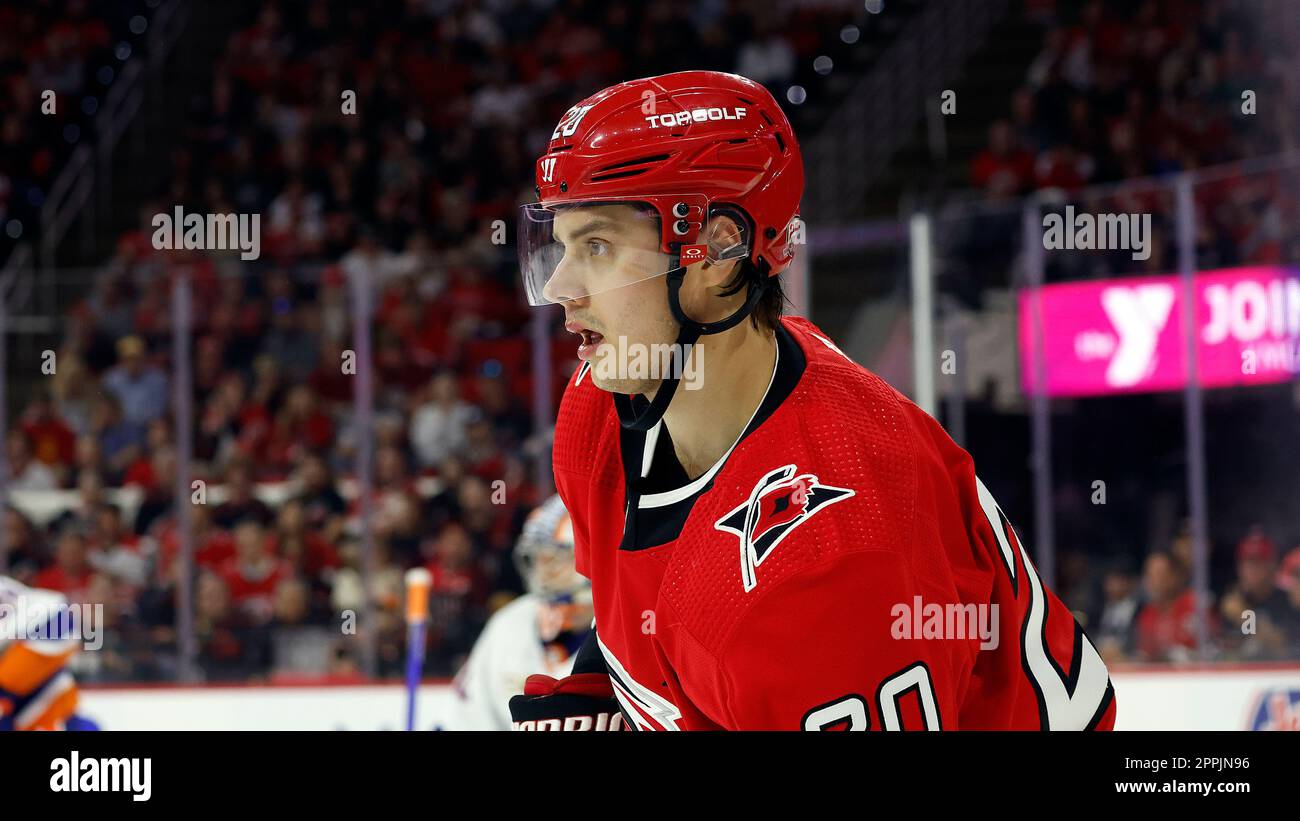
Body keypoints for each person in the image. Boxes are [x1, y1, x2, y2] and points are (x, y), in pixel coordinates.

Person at [508, 71, 1115, 731]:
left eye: (597, 245)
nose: (560, 286)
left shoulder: (831, 569)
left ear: (717, 250)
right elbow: (643, 611)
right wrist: (595, 690)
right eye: (561, 245)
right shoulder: (603, 405)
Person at [449, 496, 592, 730]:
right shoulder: (509, 622)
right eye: (540, 559)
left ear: (590, 558)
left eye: (557, 559)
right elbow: (471, 714)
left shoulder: (621, 626)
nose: (544, 572)